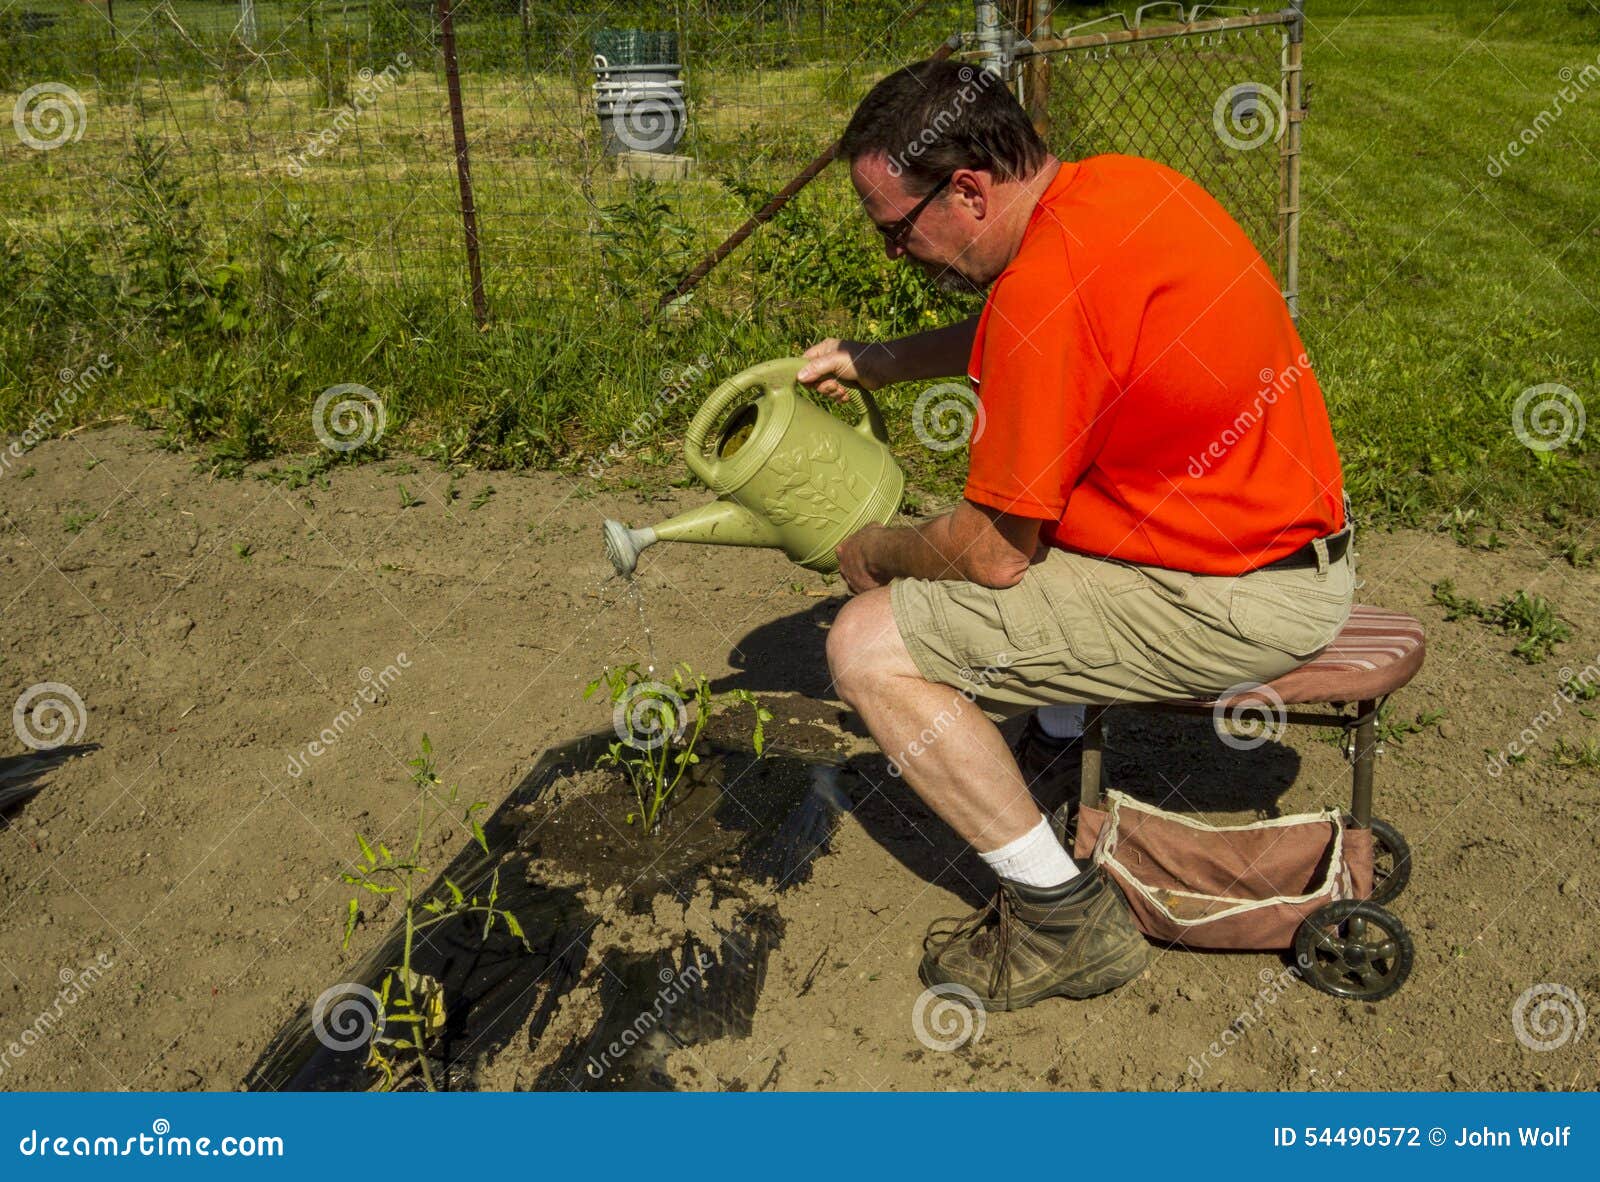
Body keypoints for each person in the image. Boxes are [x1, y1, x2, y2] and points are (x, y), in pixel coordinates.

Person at [796, 59, 1351, 1012]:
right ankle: (1054, 741)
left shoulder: (1045, 290)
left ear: (966, 190)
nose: (897, 255)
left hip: (1240, 595)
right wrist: (879, 362)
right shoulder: (1119, 189)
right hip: (1267, 537)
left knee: (870, 645)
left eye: (896, 231)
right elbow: (1038, 333)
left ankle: (1061, 919)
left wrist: (873, 551)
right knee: (1038, 503)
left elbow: (990, 553)